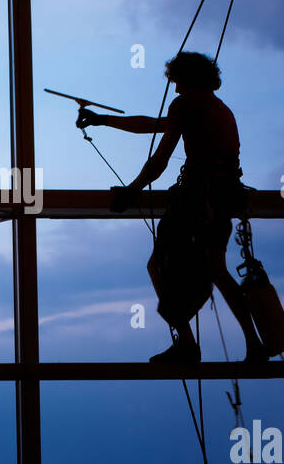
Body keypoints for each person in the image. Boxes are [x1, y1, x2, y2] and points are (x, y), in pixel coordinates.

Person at [78, 51, 267, 364]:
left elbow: (159, 159)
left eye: (177, 81)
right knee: (218, 272)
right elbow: (155, 125)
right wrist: (104, 120)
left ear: (187, 79)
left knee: (159, 265)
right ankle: (254, 345)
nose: (175, 89)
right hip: (222, 199)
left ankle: (187, 344)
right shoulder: (219, 109)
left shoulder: (186, 104)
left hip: (195, 199)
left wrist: (131, 191)